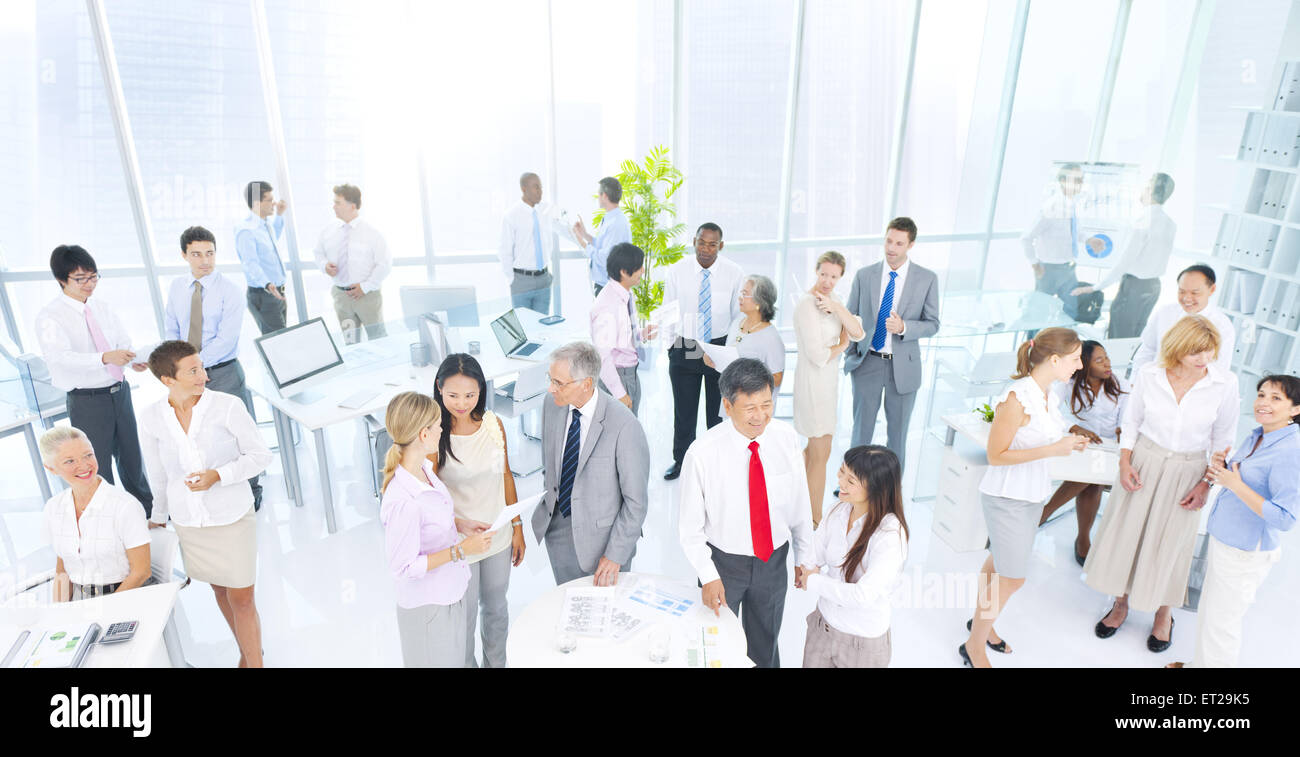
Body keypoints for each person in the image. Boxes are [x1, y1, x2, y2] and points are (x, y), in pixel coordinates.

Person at [1085, 315, 1239, 653]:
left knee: (1173, 543)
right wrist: (1125, 461)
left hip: (1189, 470)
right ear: (1178, 349)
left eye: (1209, 351)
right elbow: (1133, 419)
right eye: (1196, 352)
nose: (1204, 360)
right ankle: (1120, 604)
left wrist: (1206, 484)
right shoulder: (1150, 375)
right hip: (1144, 460)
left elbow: (1223, 439)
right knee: (1129, 533)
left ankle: (1164, 614)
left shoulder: (1224, 383)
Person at [141, 341, 273, 668]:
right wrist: (158, 517)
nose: (204, 376)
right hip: (190, 521)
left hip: (231, 516)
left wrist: (219, 475)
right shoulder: (151, 417)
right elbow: (157, 473)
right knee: (219, 590)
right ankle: (248, 649)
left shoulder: (227, 406)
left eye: (201, 367)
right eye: (193, 371)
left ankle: (254, 662)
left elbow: (260, 456)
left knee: (242, 597)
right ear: (167, 380)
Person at [961, 328, 1088, 668]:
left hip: (1031, 495)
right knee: (1013, 577)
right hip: (1007, 498)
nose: (1079, 365)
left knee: (997, 566)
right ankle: (974, 646)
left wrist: (1067, 444)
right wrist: (1054, 448)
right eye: (1075, 358)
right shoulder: (1017, 397)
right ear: (1055, 359)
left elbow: (1039, 441)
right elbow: (996, 455)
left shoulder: (1047, 394)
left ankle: (981, 627)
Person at [678, 358, 817, 668]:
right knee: (714, 643)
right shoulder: (702, 453)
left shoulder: (785, 438)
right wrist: (708, 575)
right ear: (727, 406)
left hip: (772, 562)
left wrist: (804, 556)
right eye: (750, 408)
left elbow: (799, 503)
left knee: (765, 643)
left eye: (767, 404)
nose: (761, 416)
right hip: (723, 565)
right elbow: (690, 529)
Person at [1167, 375, 1300, 668]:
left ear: (1295, 409)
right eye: (1262, 394)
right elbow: (1246, 479)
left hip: (1244, 552)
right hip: (1227, 539)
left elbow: (1285, 518)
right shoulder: (1259, 435)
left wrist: (1234, 483)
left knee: (1221, 627)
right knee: (1211, 616)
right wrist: (1223, 469)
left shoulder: (1291, 451)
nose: (1264, 403)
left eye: (1276, 398)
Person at [35, 245, 154, 516]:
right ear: (61, 280)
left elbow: (121, 341)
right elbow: (59, 358)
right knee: (95, 464)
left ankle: (146, 512)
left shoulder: (102, 307)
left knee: (132, 458)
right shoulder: (50, 316)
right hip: (86, 399)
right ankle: (108, 518)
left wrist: (131, 359)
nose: (90, 284)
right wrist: (103, 358)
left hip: (119, 392)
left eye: (93, 276)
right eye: (81, 279)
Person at [379, 391, 493, 668]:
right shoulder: (402, 500)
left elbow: (430, 520)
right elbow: (404, 567)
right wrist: (459, 551)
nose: (442, 428)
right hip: (428, 608)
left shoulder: (426, 471)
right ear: (423, 434)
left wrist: (460, 524)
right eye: (437, 424)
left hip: (451, 592)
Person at [431, 354, 525, 668]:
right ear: (439, 389)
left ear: (481, 391)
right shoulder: (433, 435)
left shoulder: (493, 424)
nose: (462, 403)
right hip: (460, 544)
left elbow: (505, 475)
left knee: (497, 609)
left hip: (497, 536)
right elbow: (429, 500)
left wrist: (517, 526)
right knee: (464, 618)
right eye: (453, 395)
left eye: (470, 395)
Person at [530, 342, 650, 586]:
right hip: (558, 531)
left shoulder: (625, 426)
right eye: (550, 379)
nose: (550, 389)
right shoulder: (551, 405)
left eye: (558, 383)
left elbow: (636, 503)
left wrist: (615, 555)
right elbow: (550, 467)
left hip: (603, 543)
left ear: (586, 384)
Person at [164, 226, 262, 511]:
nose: (205, 260)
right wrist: (179, 365)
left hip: (222, 371)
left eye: (210, 253)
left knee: (240, 435)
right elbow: (172, 326)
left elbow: (226, 338)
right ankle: (211, 484)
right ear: (184, 255)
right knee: (201, 433)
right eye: (196, 254)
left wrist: (192, 366)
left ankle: (253, 488)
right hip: (187, 375)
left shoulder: (229, 291)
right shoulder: (177, 288)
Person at [843, 216, 940, 471]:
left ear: (911, 245)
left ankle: (891, 491)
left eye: (899, 243)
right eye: (888, 241)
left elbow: (933, 323)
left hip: (904, 368)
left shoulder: (927, 279)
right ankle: (852, 482)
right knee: (861, 432)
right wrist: (849, 354)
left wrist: (905, 327)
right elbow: (850, 316)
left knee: (897, 436)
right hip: (868, 363)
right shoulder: (865, 276)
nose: (891, 248)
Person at [799, 445, 908, 668]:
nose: (841, 483)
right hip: (823, 627)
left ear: (876, 489)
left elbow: (862, 596)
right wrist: (811, 572)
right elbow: (812, 557)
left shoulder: (890, 535)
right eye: (842, 472)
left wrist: (813, 580)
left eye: (851, 481)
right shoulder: (836, 511)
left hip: (862, 645)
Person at [662, 222, 744, 480]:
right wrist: (670, 348)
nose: (705, 249)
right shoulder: (678, 271)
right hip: (685, 345)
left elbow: (737, 316)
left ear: (720, 246)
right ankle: (682, 462)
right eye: (701, 242)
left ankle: (714, 464)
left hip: (719, 346)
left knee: (717, 413)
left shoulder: (734, 273)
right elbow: (668, 311)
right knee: (684, 411)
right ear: (693, 241)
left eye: (712, 244)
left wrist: (728, 353)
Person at [1039, 340, 1129, 565]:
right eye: (1099, 360)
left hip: (1108, 449)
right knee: (1091, 478)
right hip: (1080, 446)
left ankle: (1044, 513)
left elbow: (1129, 416)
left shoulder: (1120, 383)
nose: (1107, 364)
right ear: (1085, 365)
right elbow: (1048, 407)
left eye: (1107, 357)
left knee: (1093, 478)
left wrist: (1123, 430)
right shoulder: (1068, 383)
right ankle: (1082, 539)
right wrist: (1074, 427)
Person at [793, 251, 865, 526]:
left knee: (815, 452)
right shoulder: (806, 305)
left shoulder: (835, 301)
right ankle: (814, 518)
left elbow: (858, 332)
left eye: (833, 276)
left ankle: (793, 502)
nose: (827, 280)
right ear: (816, 271)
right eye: (823, 274)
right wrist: (843, 346)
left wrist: (839, 309)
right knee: (820, 453)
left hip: (828, 386)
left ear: (840, 278)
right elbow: (817, 355)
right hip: (811, 383)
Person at [38, 427, 151, 602]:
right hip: (81, 599)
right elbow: (63, 570)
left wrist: (107, 609)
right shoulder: (53, 508)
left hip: (125, 595)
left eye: (88, 455)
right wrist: (58, 613)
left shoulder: (125, 506)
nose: (83, 465)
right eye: (69, 461)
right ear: (51, 468)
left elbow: (141, 571)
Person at [1072, 173, 1176, 338]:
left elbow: (1124, 263)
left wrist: (1094, 287)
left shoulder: (1143, 221)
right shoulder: (1170, 223)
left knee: (1118, 339)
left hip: (1134, 288)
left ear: (1149, 189)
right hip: (1154, 287)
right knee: (1133, 338)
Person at [313, 183, 391, 344]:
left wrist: (365, 287)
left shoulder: (372, 233)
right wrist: (324, 265)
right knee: (351, 343)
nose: (333, 207)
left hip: (367, 297)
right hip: (341, 297)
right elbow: (318, 253)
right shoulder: (328, 231)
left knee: (378, 340)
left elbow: (384, 264)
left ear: (353, 206)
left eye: (338, 203)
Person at [590, 242, 656, 415]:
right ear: (624, 272)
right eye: (639, 267)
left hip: (630, 374)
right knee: (619, 436)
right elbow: (602, 356)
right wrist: (619, 393)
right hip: (618, 378)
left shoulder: (624, 293)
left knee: (628, 431)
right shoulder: (608, 306)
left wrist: (640, 335)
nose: (643, 271)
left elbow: (620, 337)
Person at [1132, 264, 1235, 374]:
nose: (1187, 298)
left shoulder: (1222, 325)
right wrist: (1135, 381)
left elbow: (1219, 369)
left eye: (1195, 293)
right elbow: (1147, 350)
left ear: (1212, 289)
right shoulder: (1165, 312)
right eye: (1182, 291)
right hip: (1154, 381)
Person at [498, 172, 570, 314]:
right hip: (521, 281)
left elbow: (564, 228)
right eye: (536, 187)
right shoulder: (511, 215)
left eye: (541, 188)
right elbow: (504, 251)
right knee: (524, 329)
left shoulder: (546, 210)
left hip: (543, 280)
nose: (540, 191)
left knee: (542, 330)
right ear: (524, 189)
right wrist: (512, 280)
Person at [1021, 163, 1085, 319]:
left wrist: (1090, 240)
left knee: (1070, 313)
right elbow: (1026, 238)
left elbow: (1073, 232)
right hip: (1049, 270)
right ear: (1063, 181)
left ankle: (1061, 343)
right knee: (1038, 315)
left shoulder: (1071, 205)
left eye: (1081, 180)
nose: (1080, 184)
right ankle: (1031, 343)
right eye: (1075, 180)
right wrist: (1035, 264)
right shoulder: (1051, 207)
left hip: (1068, 268)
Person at [706, 274, 785, 387]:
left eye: (745, 294)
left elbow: (777, 379)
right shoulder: (737, 323)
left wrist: (746, 376)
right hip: (730, 397)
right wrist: (714, 360)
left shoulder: (771, 337)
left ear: (759, 300)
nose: (740, 297)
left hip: (751, 402)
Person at [235, 180, 289, 335]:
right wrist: (267, 284)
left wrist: (279, 215)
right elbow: (250, 263)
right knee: (278, 342)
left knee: (280, 339)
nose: (274, 203)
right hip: (264, 295)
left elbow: (272, 245)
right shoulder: (246, 231)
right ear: (257, 203)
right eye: (270, 200)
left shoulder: (266, 224)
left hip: (277, 292)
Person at [572, 176, 631, 296]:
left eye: (599, 194)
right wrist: (584, 234)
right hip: (604, 285)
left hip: (609, 288)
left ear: (604, 196)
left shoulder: (616, 224)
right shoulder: (610, 219)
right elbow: (603, 245)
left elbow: (605, 259)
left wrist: (581, 242)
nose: (597, 198)